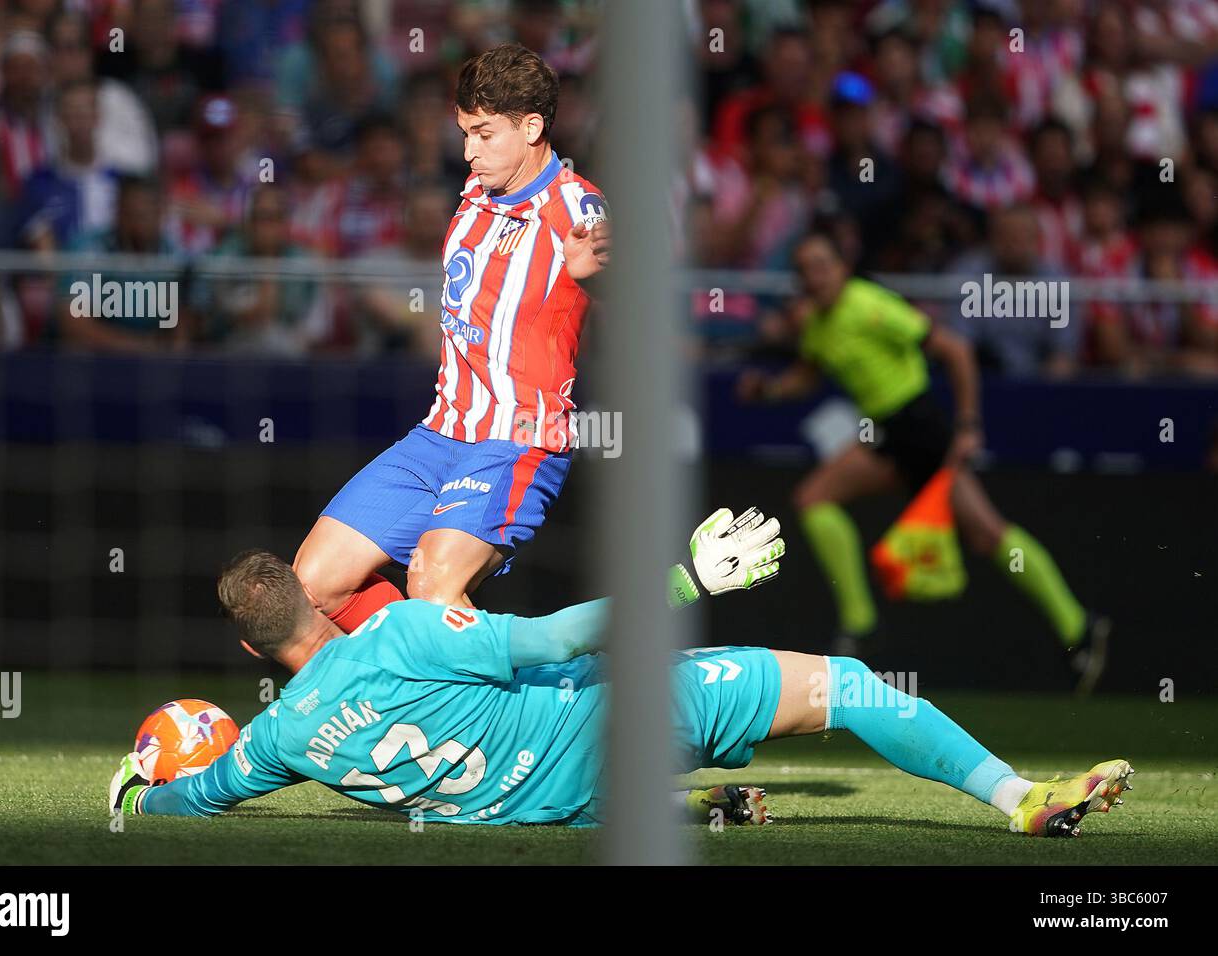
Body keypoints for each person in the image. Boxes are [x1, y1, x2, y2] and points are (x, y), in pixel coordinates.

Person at [108, 508, 1131, 838]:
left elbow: (196, 795)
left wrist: (134, 787)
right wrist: (687, 573)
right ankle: (1020, 799)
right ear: (317, 596)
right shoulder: (402, 631)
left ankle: (697, 807)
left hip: (558, 810)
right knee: (854, 687)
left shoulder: (282, 739)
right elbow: (556, 641)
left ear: (251, 652)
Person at [290, 43, 611, 635]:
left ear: (533, 126)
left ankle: (491, 718)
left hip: (516, 438)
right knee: (310, 588)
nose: (470, 151)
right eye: (465, 133)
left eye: (484, 134)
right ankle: (408, 696)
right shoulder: (474, 191)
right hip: (439, 433)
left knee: (434, 583)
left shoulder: (576, 206)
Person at [737, 231, 1109, 693]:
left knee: (984, 532)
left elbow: (956, 349)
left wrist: (968, 424)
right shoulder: (817, 323)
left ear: (842, 268)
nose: (814, 277)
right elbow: (808, 375)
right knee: (819, 499)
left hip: (919, 428)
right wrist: (768, 392)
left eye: (822, 265)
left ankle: (1076, 624)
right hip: (888, 433)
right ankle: (864, 623)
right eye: (805, 269)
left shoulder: (870, 305)